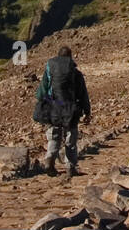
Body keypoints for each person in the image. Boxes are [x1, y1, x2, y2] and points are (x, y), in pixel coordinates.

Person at [32, 46, 90, 176]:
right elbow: (83, 94)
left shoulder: (50, 70)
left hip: (54, 107)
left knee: (54, 136)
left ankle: (50, 159)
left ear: (58, 56)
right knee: (71, 139)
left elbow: (42, 91)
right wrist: (87, 111)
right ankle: (70, 167)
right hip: (71, 109)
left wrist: (43, 103)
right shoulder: (76, 74)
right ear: (70, 57)